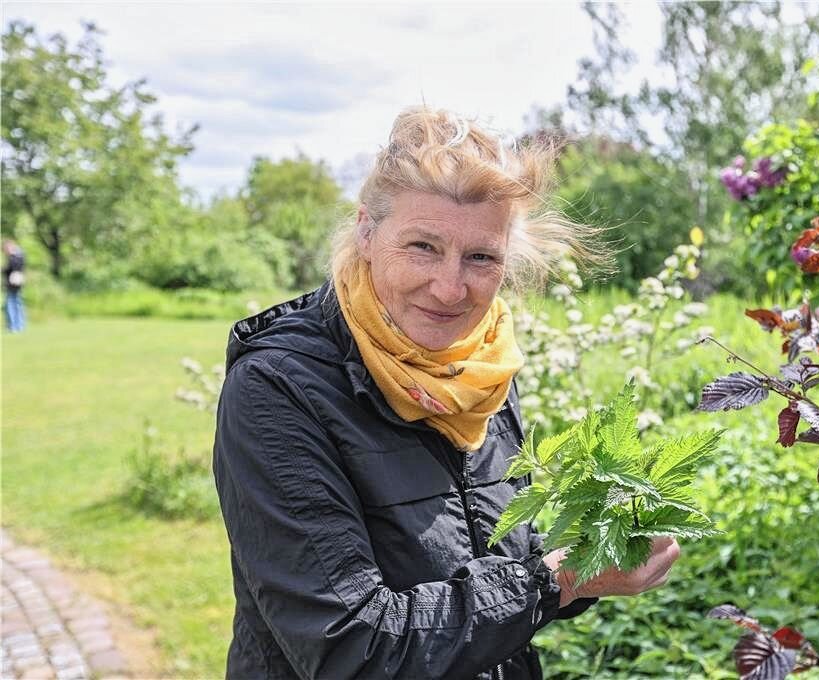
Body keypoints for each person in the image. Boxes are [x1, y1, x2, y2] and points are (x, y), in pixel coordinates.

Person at [212, 107, 681, 680]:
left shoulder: (479, 366)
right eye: (422, 247)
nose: (450, 287)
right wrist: (556, 581)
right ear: (366, 230)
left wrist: (592, 550)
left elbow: (498, 562)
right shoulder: (279, 387)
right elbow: (349, 648)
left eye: (481, 257)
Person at [3, 239, 26, 333]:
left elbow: (12, 268)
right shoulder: (20, 255)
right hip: (16, 282)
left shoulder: (15, 256)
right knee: (17, 303)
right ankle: (18, 326)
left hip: (13, 282)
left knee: (11, 304)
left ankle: (14, 326)